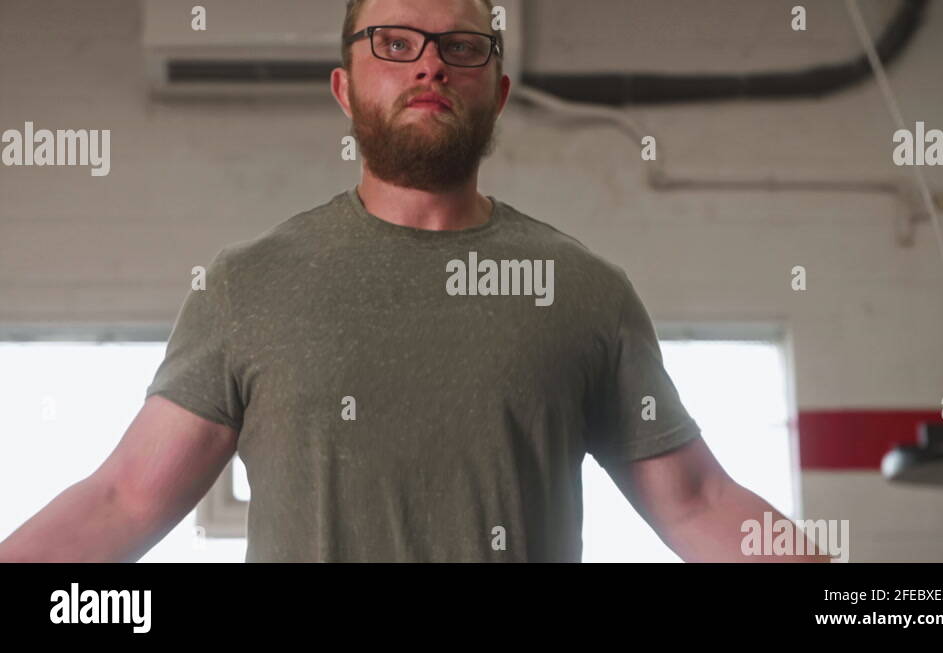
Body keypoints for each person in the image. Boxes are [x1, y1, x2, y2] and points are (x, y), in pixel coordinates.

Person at [0, 0, 829, 563]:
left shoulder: (583, 292)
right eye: (395, 43)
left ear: (498, 92)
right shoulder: (246, 287)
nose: (430, 65)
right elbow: (121, 500)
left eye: (461, 47)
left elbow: (698, 500)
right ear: (346, 88)